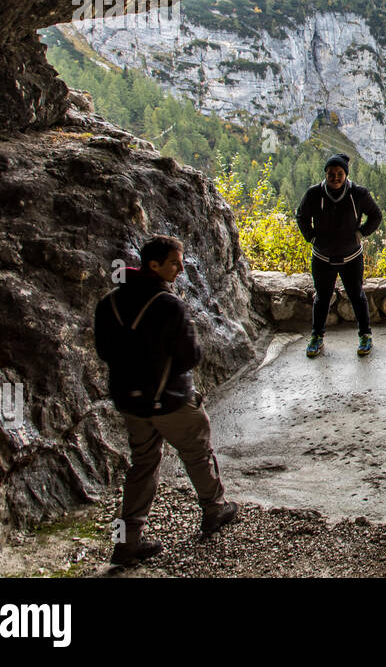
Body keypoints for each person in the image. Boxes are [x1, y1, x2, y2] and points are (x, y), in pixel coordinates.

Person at [94, 235, 239, 567]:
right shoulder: (169, 304)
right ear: (154, 266)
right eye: (174, 262)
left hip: (129, 401)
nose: (180, 268)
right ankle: (215, 509)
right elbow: (190, 357)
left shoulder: (110, 302)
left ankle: (126, 541)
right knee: (197, 451)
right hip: (170, 398)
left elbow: (104, 351)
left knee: (141, 466)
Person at [296, 153, 382, 359]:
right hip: (322, 259)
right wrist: (312, 237)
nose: (335, 178)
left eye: (339, 174)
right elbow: (301, 216)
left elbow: (376, 215)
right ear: (325, 174)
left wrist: (361, 232)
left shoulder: (358, 194)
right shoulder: (314, 194)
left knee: (356, 295)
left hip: (351, 257)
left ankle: (365, 335)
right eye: (331, 174)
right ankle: (317, 337)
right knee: (322, 298)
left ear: (346, 174)